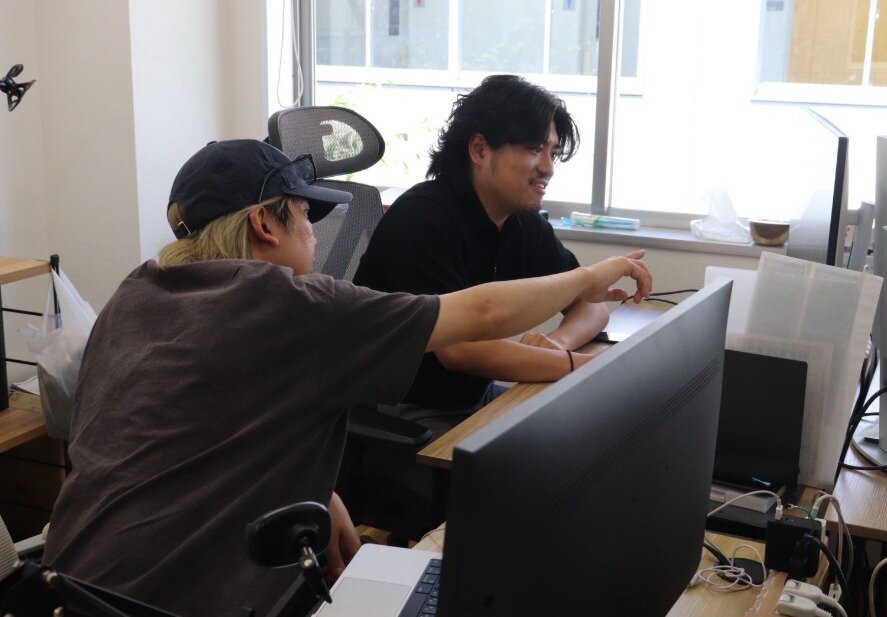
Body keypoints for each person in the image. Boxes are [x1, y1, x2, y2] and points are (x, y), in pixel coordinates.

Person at [41, 139, 651, 616]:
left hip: (65, 588)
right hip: (175, 604)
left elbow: (192, 433)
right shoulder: (289, 304)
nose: (314, 233)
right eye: (306, 215)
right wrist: (590, 278)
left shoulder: (135, 294)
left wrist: (312, 485)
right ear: (265, 226)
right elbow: (482, 314)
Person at [354, 74, 644, 425]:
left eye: (552, 152)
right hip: (396, 413)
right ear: (479, 149)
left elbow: (591, 303)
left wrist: (558, 343)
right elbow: (460, 351)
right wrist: (579, 365)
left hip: (472, 399)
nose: (548, 168)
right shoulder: (421, 218)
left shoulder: (521, 220)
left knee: (584, 428)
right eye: (535, 149)